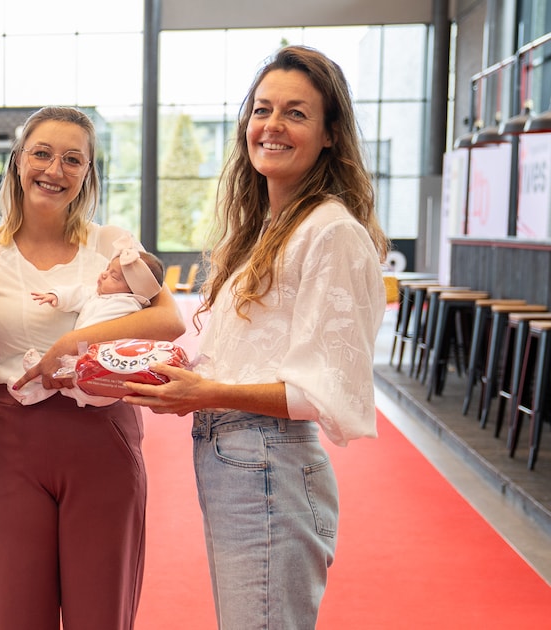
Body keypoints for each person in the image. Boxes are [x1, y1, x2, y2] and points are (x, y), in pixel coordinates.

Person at [124, 45, 389, 628]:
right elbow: (242, 352)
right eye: (263, 109)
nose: (272, 125)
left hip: (269, 460)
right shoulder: (273, 226)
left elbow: (324, 394)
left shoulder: (330, 232)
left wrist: (206, 393)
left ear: (330, 135)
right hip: (243, 460)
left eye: (296, 113)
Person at [0, 106, 186, 630]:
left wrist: (74, 343)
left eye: (72, 159)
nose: (54, 170)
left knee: (101, 613)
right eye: (42, 153)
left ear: (87, 175)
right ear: (17, 162)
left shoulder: (112, 246)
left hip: (102, 438)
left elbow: (169, 320)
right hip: (11, 446)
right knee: (13, 613)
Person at [11, 244, 165, 406]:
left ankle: (43, 379)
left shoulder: (128, 305)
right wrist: (57, 295)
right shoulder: (99, 295)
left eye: (114, 277)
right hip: (84, 358)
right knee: (66, 380)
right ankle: (37, 391)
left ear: (135, 290)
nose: (104, 275)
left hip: (101, 366)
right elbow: (80, 294)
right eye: (107, 269)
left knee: (75, 374)